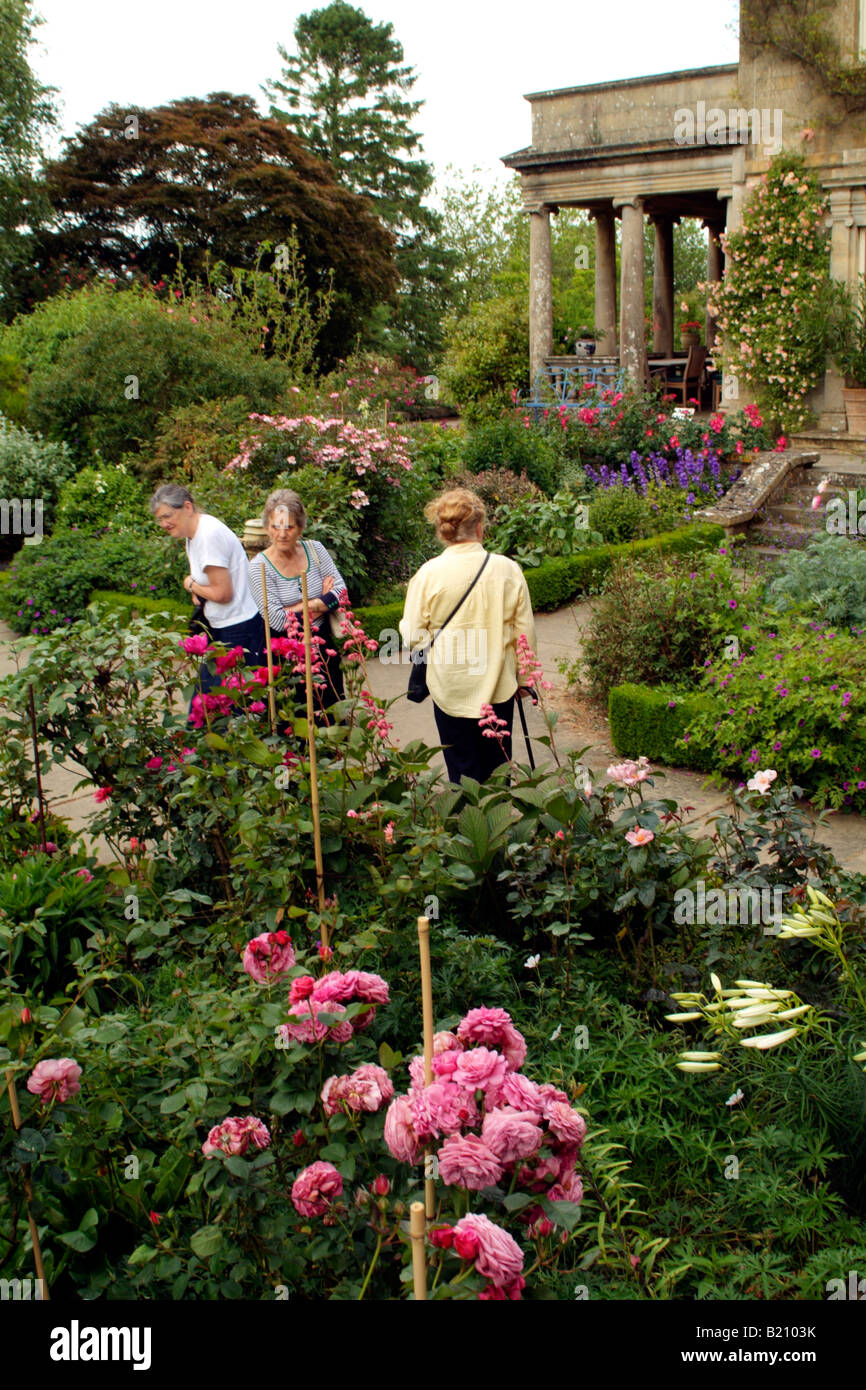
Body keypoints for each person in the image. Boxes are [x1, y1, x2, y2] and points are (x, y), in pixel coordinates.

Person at [399, 488, 537, 785]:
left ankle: (466, 826)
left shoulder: (428, 574)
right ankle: (500, 821)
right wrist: (525, 680)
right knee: (499, 766)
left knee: (461, 769)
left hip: (450, 687)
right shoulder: (508, 570)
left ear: (443, 532)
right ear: (479, 526)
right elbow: (524, 632)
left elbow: (412, 635)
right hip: (498, 684)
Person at [150, 484, 265, 692]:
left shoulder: (208, 535)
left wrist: (191, 584)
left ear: (187, 507)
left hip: (238, 628)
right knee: (212, 705)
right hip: (225, 626)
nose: (164, 524)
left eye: (168, 516)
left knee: (216, 706)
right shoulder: (194, 533)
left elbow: (223, 593)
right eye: (160, 519)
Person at [248, 489, 348, 710]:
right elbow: (276, 620)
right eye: (276, 526)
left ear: (300, 528)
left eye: (289, 527)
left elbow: (341, 593)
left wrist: (296, 608)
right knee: (296, 723)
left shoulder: (315, 550)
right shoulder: (259, 568)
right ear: (267, 528)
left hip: (324, 651)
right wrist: (320, 601)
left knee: (332, 715)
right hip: (286, 657)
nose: (282, 534)